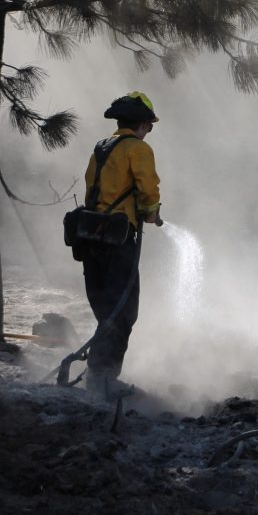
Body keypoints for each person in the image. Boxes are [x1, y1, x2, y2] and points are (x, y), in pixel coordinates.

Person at [81, 91, 162, 398]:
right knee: (123, 310)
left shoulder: (102, 148)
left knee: (106, 308)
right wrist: (152, 213)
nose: (148, 131)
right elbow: (148, 188)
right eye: (149, 125)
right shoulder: (137, 149)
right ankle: (103, 379)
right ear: (142, 124)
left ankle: (97, 375)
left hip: (90, 237)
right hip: (118, 239)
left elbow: (95, 187)